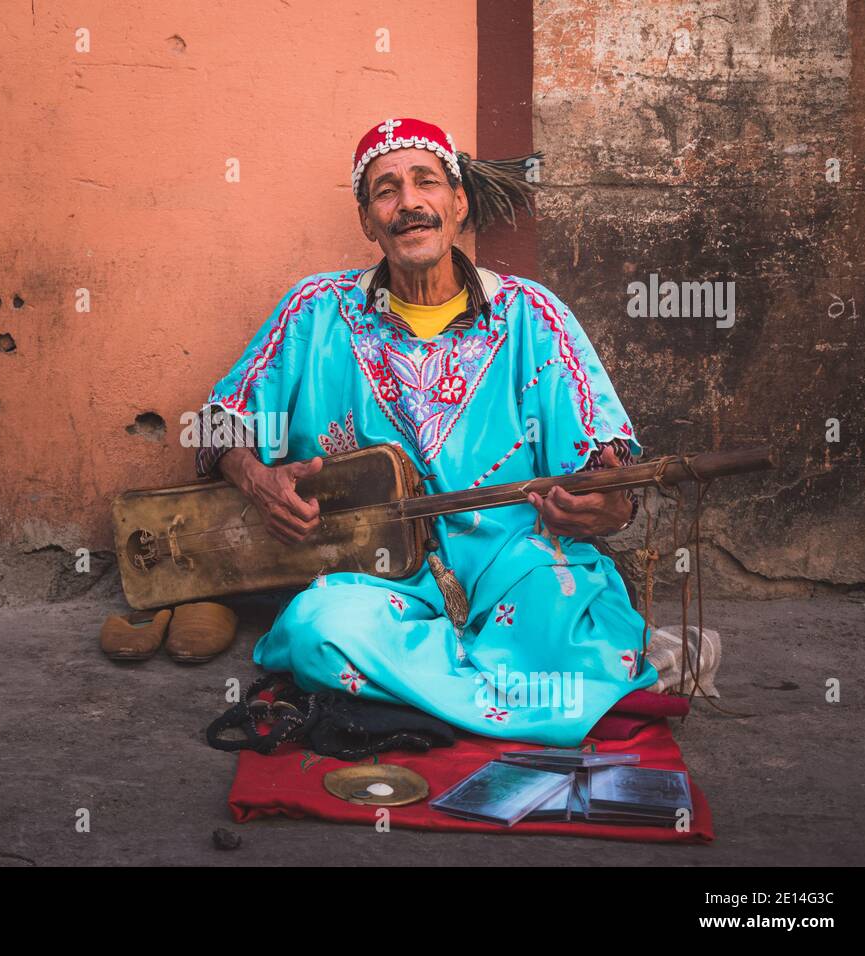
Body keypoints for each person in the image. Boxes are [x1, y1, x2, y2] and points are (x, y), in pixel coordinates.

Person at [194, 117, 654, 747]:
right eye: (386, 190)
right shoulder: (315, 312)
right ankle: (499, 693)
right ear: (367, 221)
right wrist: (255, 478)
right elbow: (215, 422)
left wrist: (608, 508)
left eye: (425, 183)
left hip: (517, 562)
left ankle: (404, 702)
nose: (408, 203)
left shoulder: (533, 316)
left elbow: (611, 469)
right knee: (318, 630)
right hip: (375, 578)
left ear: (457, 202)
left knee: (579, 625)